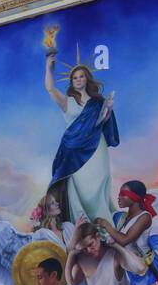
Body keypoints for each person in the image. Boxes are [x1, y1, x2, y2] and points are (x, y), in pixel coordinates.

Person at [44, 56, 120, 226]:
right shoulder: (67, 101)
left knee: (100, 179)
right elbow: (50, 88)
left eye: (81, 76)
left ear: (87, 79)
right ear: (72, 81)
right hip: (74, 150)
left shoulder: (97, 102)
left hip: (96, 145)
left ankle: (103, 221)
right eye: (75, 78)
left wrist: (108, 110)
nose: (78, 80)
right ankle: (83, 224)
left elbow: (103, 122)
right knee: (80, 186)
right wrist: (48, 67)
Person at [97, 181, 157, 285]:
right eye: (119, 193)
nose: (118, 197)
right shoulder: (124, 217)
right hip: (125, 267)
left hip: (141, 272)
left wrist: (107, 226)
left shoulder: (145, 217)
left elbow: (125, 240)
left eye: (123, 194)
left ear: (135, 197)